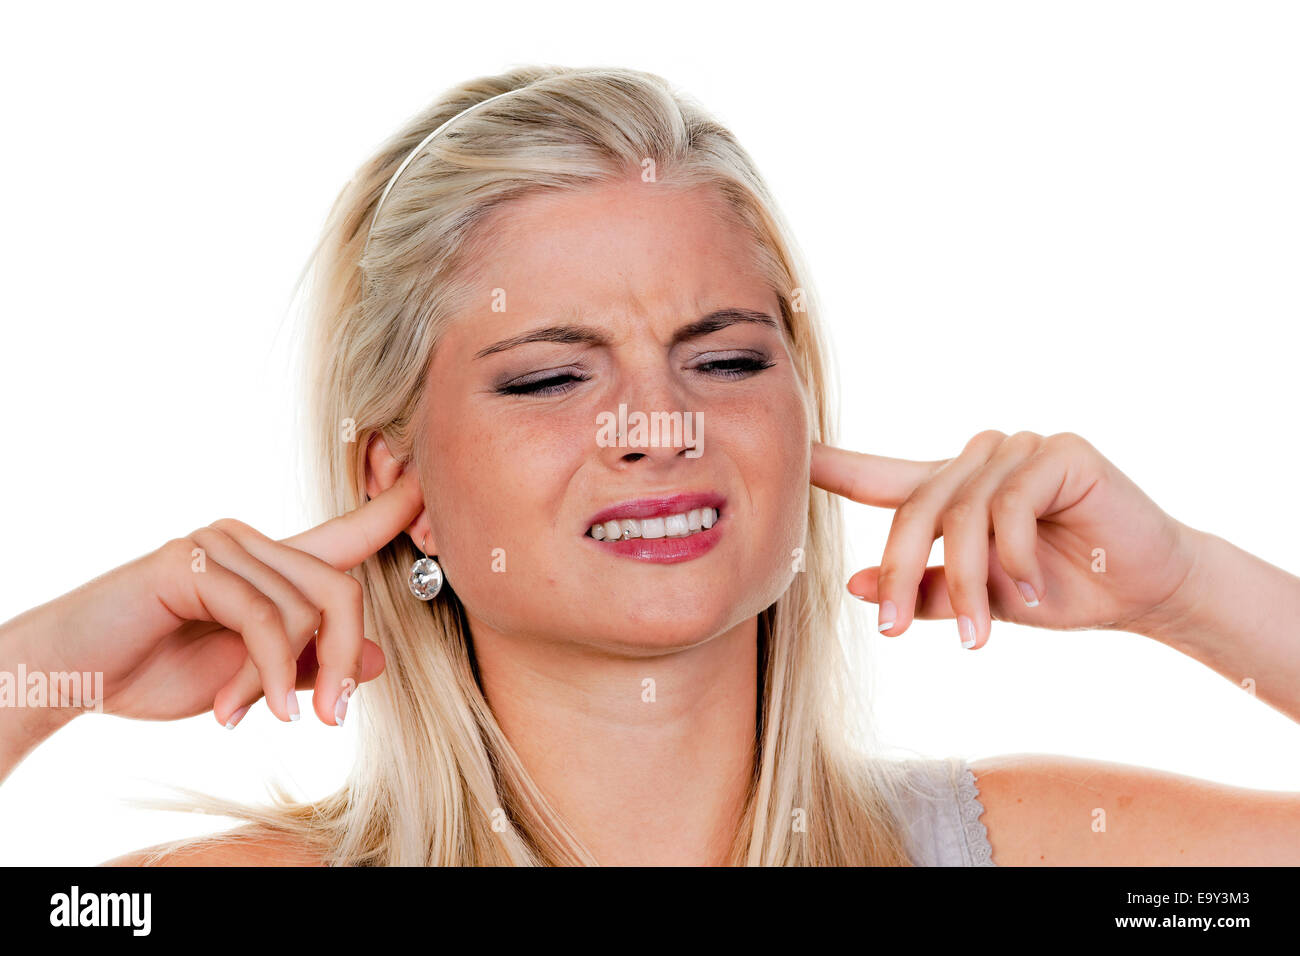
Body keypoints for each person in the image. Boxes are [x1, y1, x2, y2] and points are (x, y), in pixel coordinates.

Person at [2, 65, 1297, 866]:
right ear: (398, 481)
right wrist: (52, 662)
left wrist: (1184, 588)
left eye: (726, 360)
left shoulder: (1035, 857)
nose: (660, 424)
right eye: (553, 376)